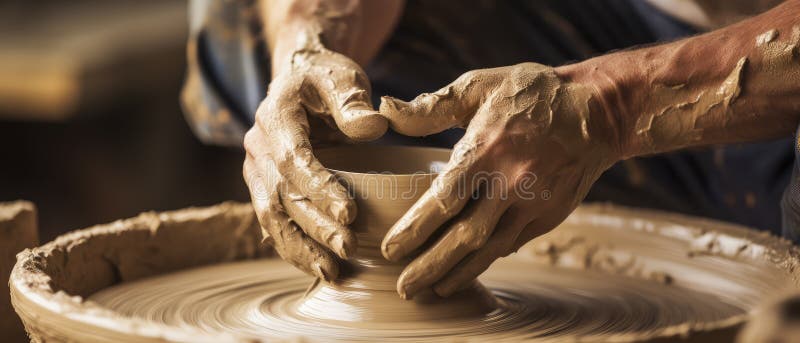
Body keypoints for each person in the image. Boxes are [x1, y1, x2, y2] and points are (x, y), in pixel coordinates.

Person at [181, 0, 800, 298]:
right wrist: (305, 48)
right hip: (621, 18)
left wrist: (610, 106)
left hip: (773, 67)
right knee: (238, 33)